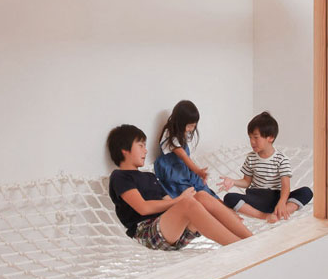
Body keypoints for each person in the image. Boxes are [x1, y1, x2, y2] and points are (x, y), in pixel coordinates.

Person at [107, 124, 251, 250]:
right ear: (124, 150)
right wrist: (180, 200)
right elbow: (143, 208)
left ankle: (251, 240)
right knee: (187, 203)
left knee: (201, 196)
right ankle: (240, 247)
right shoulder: (120, 176)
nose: (145, 151)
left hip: (172, 228)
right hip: (146, 233)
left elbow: (168, 203)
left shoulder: (149, 176)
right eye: (141, 146)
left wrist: (189, 201)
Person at [222, 111, 312, 222]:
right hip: (255, 197)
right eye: (250, 138)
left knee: (306, 192)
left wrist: (282, 203)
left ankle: (282, 211)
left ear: (270, 138)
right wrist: (233, 182)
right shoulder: (251, 158)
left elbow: (285, 187)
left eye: (256, 137)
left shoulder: (281, 159)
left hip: (276, 198)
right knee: (229, 198)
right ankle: (265, 216)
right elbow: (246, 182)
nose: (252, 142)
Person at [153, 99, 217, 197]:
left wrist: (197, 172)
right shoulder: (169, 134)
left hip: (184, 167)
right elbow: (183, 156)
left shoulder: (183, 131)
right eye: (190, 126)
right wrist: (198, 171)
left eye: (194, 126)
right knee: (188, 192)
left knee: (202, 187)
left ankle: (219, 204)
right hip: (173, 171)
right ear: (179, 122)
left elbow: (186, 158)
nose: (191, 129)